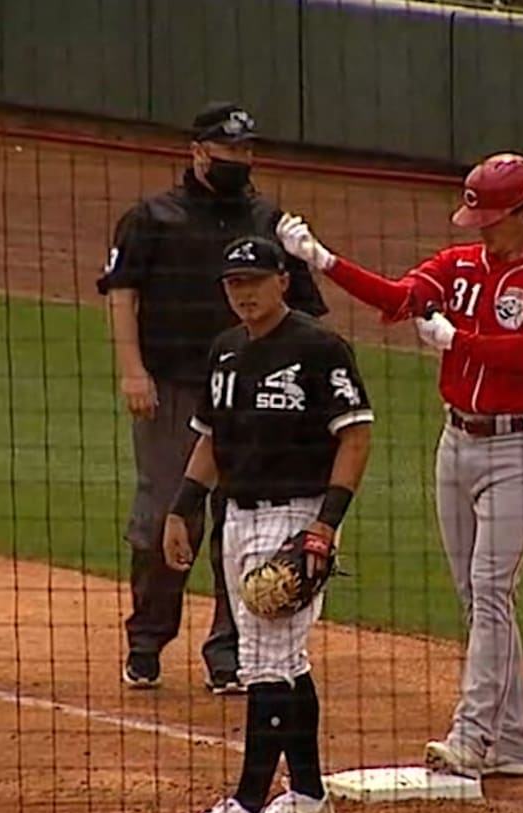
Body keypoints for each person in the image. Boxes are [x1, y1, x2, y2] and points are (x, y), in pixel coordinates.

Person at [273, 152, 523, 779]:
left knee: (493, 591)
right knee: (476, 597)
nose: (479, 227)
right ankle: (517, 742)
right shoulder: (460, 263)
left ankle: (471, 737)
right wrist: (323, 260)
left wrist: (459, 342)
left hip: (519, 447)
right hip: (456, 443)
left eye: (491, 217)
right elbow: (398, 299)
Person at [96, 101, 328, 693]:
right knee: (165, 516)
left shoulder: (267, 219)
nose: (238, 161)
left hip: (251, 400)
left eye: (246, 151)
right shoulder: (152, 217)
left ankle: (230, 651)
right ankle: (147, 641)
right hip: (172, 387)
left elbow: (303, 308)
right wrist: (132, 370)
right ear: (197, 152)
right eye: (228, 151)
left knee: (242, 522)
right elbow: (121, 292)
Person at [161, 235, 373, 813]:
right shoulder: (225, 351)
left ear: (283, 279)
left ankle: (248, 809)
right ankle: (307, 800)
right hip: (236, 519)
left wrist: (326, 525)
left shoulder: (318, 348)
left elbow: (355, 436)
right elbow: (210, 439)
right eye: (234, 284)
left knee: (265, 666)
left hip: (295, 519)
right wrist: (182, 509)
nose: (244, 293)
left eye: (254, 280)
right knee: (285, 662)